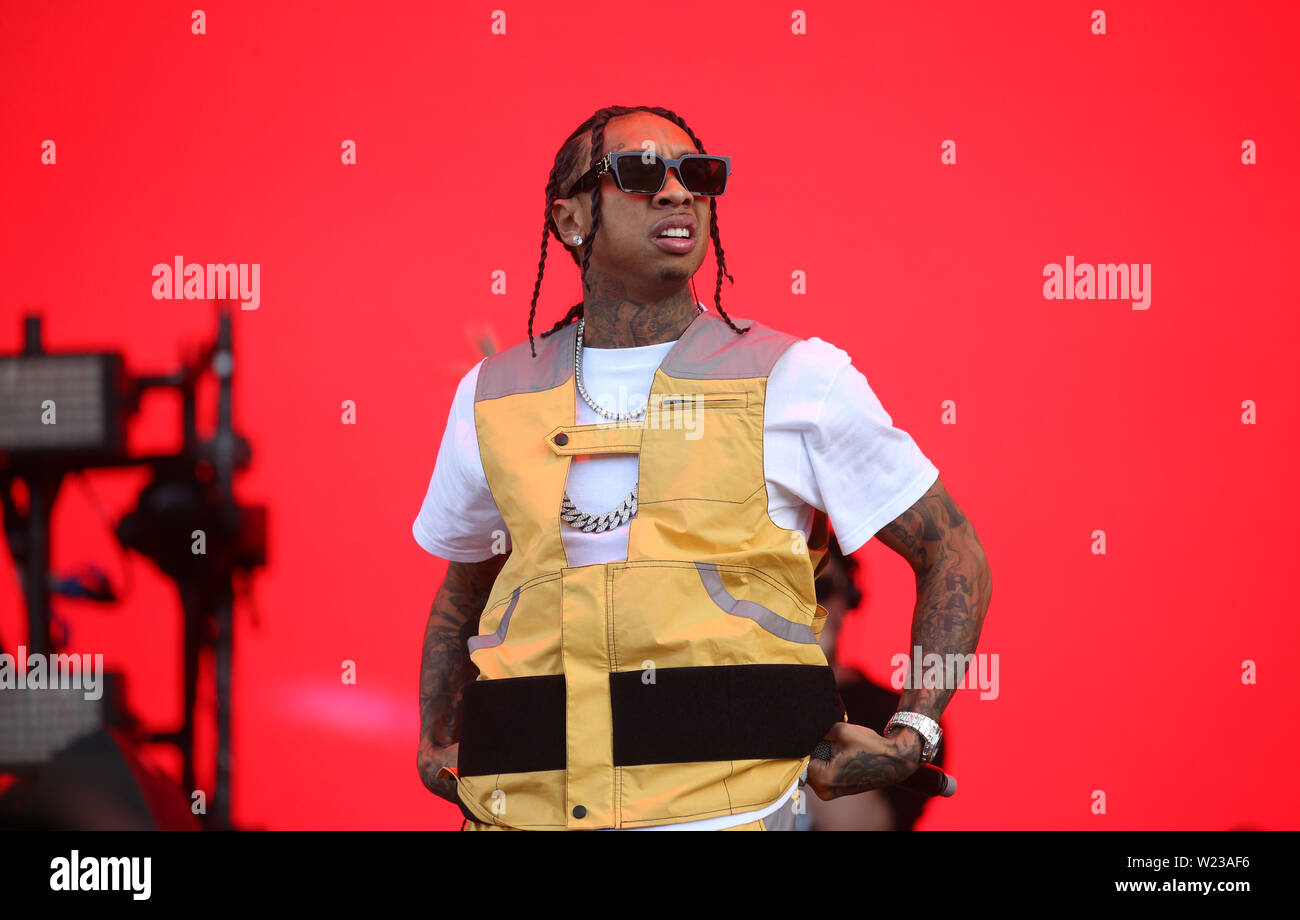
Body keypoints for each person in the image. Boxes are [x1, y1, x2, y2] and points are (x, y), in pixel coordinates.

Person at [411, 104, 992, 830]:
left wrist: (916, 733)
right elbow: (465, 588)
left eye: (697, 174)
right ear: (569, 221)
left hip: (731, 815)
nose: (677, 191)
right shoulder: (492, 393)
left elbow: (953, 550)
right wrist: (436, 732)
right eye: (640, 172)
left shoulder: (798, 378)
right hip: (519, 813)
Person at [795, 532, 949, 830]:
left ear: (848, 598)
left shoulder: (898, 716)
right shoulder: (728, 692)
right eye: (789, 594)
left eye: (819, 588)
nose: (806, 608)